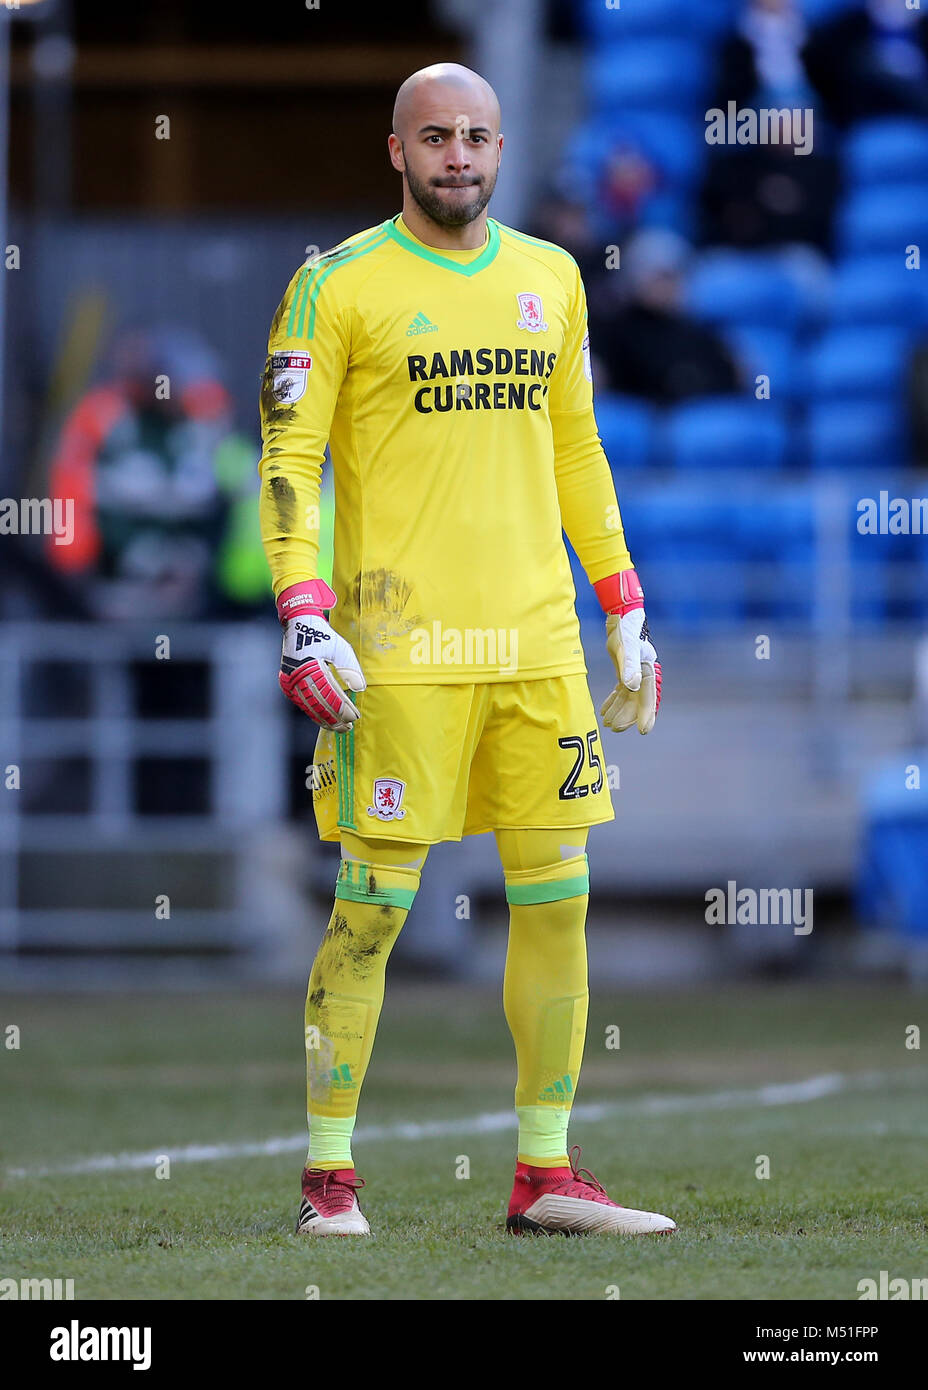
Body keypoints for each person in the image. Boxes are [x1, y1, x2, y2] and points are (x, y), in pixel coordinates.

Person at [257, 63, 673, 1238]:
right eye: (434, 137)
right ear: (396, 150)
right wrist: (303, 606)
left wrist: (621, 599)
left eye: (477, 138)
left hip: (537, 647)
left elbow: (578, 450)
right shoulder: (332, 285)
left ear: (500, 149)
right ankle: (327, 1183)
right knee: (374, 908)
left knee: (558, 900)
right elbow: (289, 461)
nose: (458, 157)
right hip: (399, 648)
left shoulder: (549, 277)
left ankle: (546, 1173)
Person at [589, 229, 742, 404]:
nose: (666, 285)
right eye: (659, 276)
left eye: (672, 276)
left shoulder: (696, 330)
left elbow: (731, 377)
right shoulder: (614, 331)